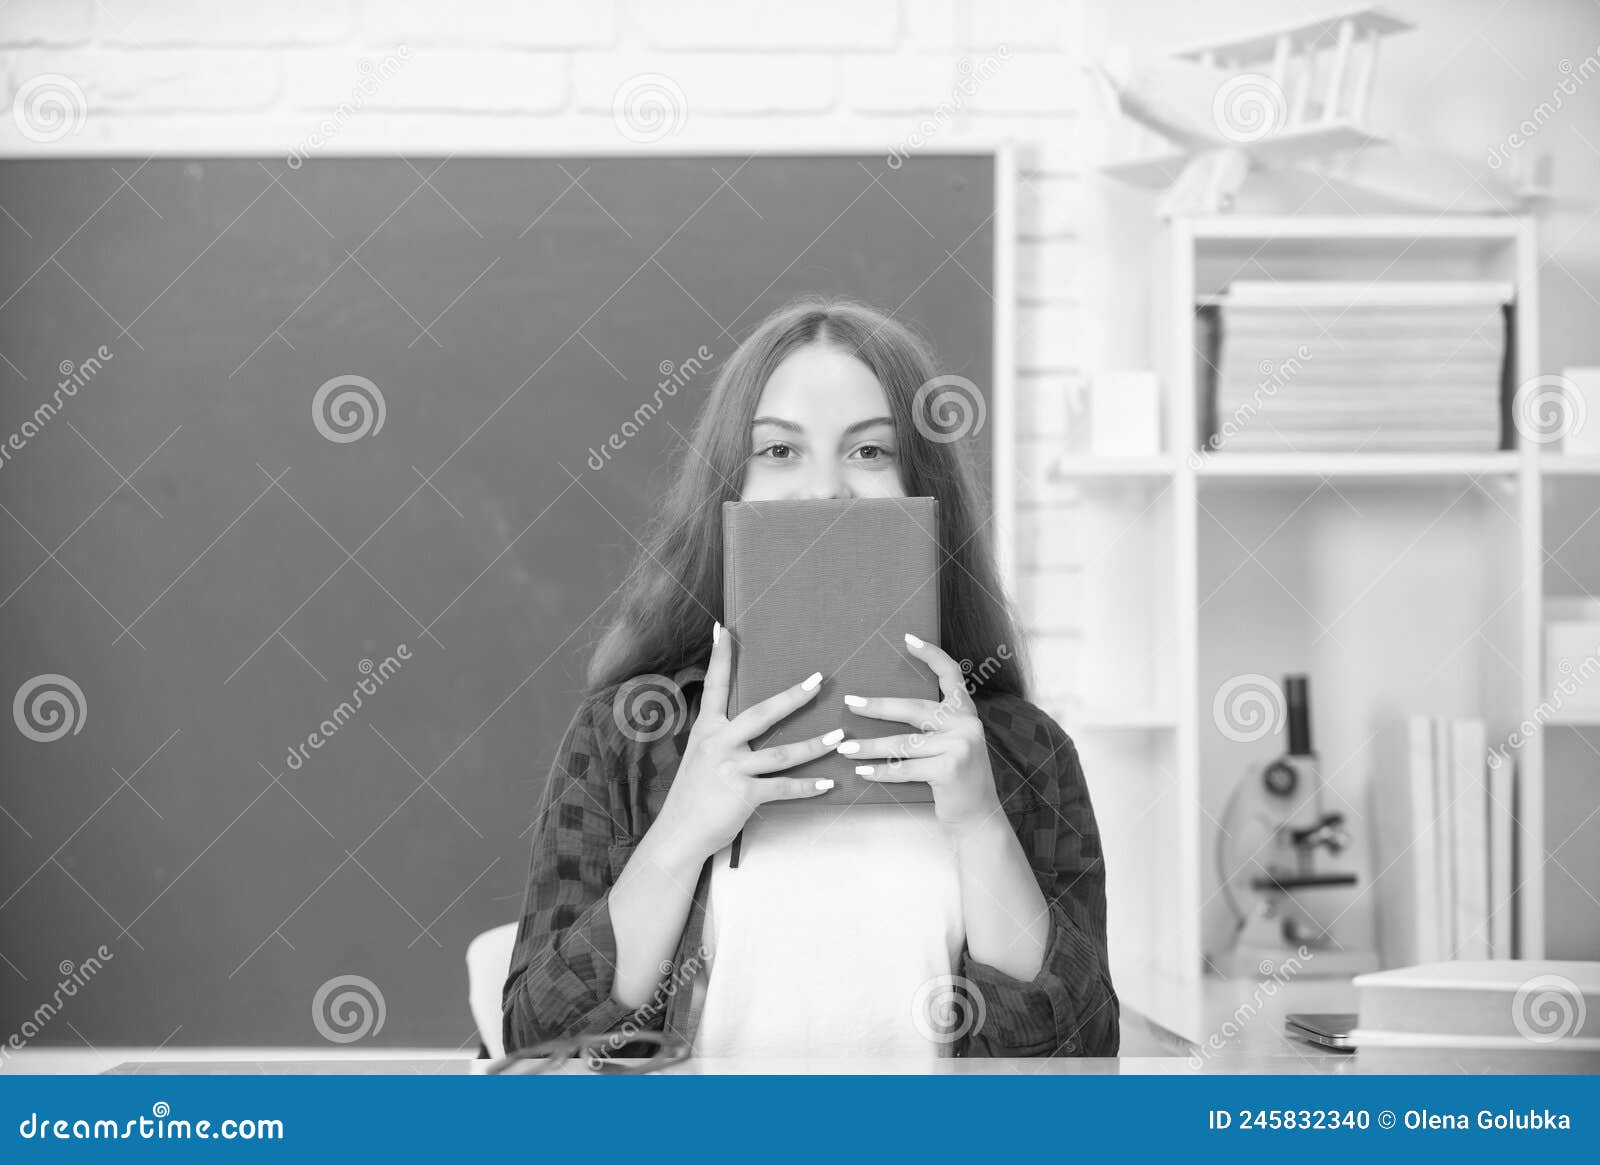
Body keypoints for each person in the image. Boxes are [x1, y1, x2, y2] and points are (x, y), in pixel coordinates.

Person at [503, 297, 1118, 1060]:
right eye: (780, 452)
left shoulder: (1026, 752)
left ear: (926, 490)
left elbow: (1086, 1056)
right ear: (730, 490)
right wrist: (680, 836)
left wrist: (980, 824)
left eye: (869, 452)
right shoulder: (628, 734)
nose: (825, 490)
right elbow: (537, 1043)